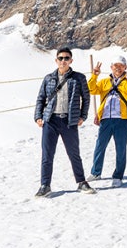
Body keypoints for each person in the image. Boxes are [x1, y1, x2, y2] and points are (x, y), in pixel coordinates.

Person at [33, 47, 96, 197]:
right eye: (60, 58)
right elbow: (41, 98)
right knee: (47, 154)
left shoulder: (79, 78)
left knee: (74, 153)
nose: (63, 61)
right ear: (56, 60)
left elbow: (86, 98)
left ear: (71, 60)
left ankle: (81, 182)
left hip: (69, 121)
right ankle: (45, 185)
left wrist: (83, 116)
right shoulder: (48, 78)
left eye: (66, 58)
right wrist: (38, 116)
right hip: (50, 120)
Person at [87, 56, 127, 187]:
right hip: (106, 118)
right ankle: (96, 172)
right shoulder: (104, 82)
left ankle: (118, 175)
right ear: (111, 67)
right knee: (100, 146)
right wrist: (94, 76)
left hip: (122, 119)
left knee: (120, 148)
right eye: (115, 65)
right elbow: (91, 89)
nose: (118, 68)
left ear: (125, 67)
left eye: (121, 65)